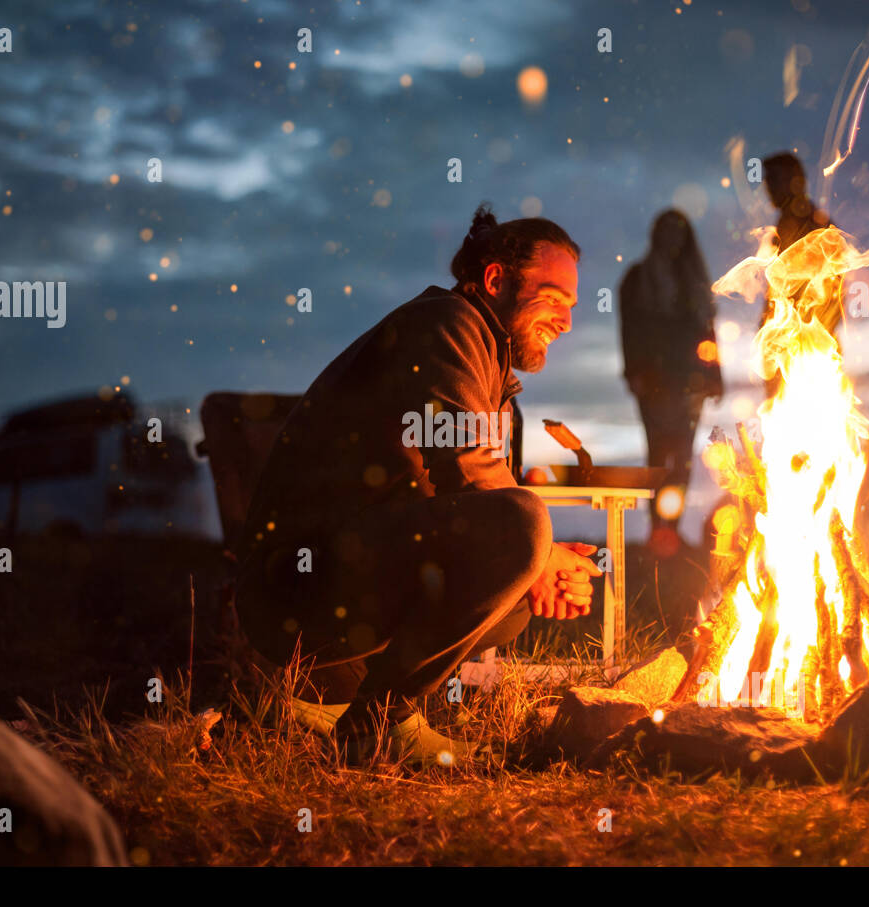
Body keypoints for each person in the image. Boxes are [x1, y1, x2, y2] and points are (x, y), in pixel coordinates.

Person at [234, 203, 602, 764]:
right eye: (552, 297)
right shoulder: (445, 325)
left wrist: (541, 565)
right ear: (495, 279)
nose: (566, 320)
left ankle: (332, 697)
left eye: (572, 306)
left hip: (344, 579)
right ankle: (380, 720)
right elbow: (470, 468)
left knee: (518, 591)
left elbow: (466, 490)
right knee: (523, 526)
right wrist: (541, 551)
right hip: (294, 584)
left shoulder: (485, 355)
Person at [619, 209, 722, 544]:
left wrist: (714, 375)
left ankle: (671, 531)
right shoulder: (638, 279)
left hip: (689, 384)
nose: (672, 238)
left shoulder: (692, 281)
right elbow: (629, 331)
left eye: (678, 232)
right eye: (666, 231)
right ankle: (658, 531)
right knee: (659, 457)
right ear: (656, 234)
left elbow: (707, 333)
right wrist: (635, 372)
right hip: (655, 383)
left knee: (682, 462)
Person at [759, 154, 841, 396]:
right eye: (767, 180)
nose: (768, 188)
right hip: (788, 345)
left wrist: (798, 338)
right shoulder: (785, 224)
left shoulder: (814, 227)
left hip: (805, 348)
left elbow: (831, 293)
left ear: (796, 181)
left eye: (774, 180)